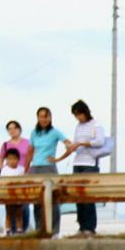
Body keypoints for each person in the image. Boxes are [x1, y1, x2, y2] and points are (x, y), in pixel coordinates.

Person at [57, 99, 107, 237]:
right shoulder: (78, 127)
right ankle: (82, 225)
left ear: (85, 112)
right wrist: (72, 146)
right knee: (77, 196)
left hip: (90, 163)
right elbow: (76, 142)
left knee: (88, 196)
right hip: (78, 162)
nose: (78, 117)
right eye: (76, 115)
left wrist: (82, 144)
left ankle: (90, 226)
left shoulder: (96, 124)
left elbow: (100, 141)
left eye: (79, 114)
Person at [28, 106, 65, 236]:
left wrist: (58, 158)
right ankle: (40, 229)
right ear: (38, 118)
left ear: (50, 118)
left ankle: (54, 231)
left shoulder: (55, 132)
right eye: (41, 116)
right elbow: (30, 152)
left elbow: (69, 144)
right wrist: (27, 170)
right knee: (37, 200)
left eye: (46, 116)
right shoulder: (34, 133)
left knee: (53, 199)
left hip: (49, 167)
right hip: (35, 167)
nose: (44, 119)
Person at [0, 120, 33, 236]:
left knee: (24, 206)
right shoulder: (5, 144)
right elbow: (0, 159)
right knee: (10, 207)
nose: (12, 131)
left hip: (24, 175)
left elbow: (32, 156)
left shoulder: (27, 142)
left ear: (19, 129)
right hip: (10, 177)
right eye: (9, 129)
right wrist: (4, 170)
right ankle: (11, 230)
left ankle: (23, 228)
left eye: (14, 128)